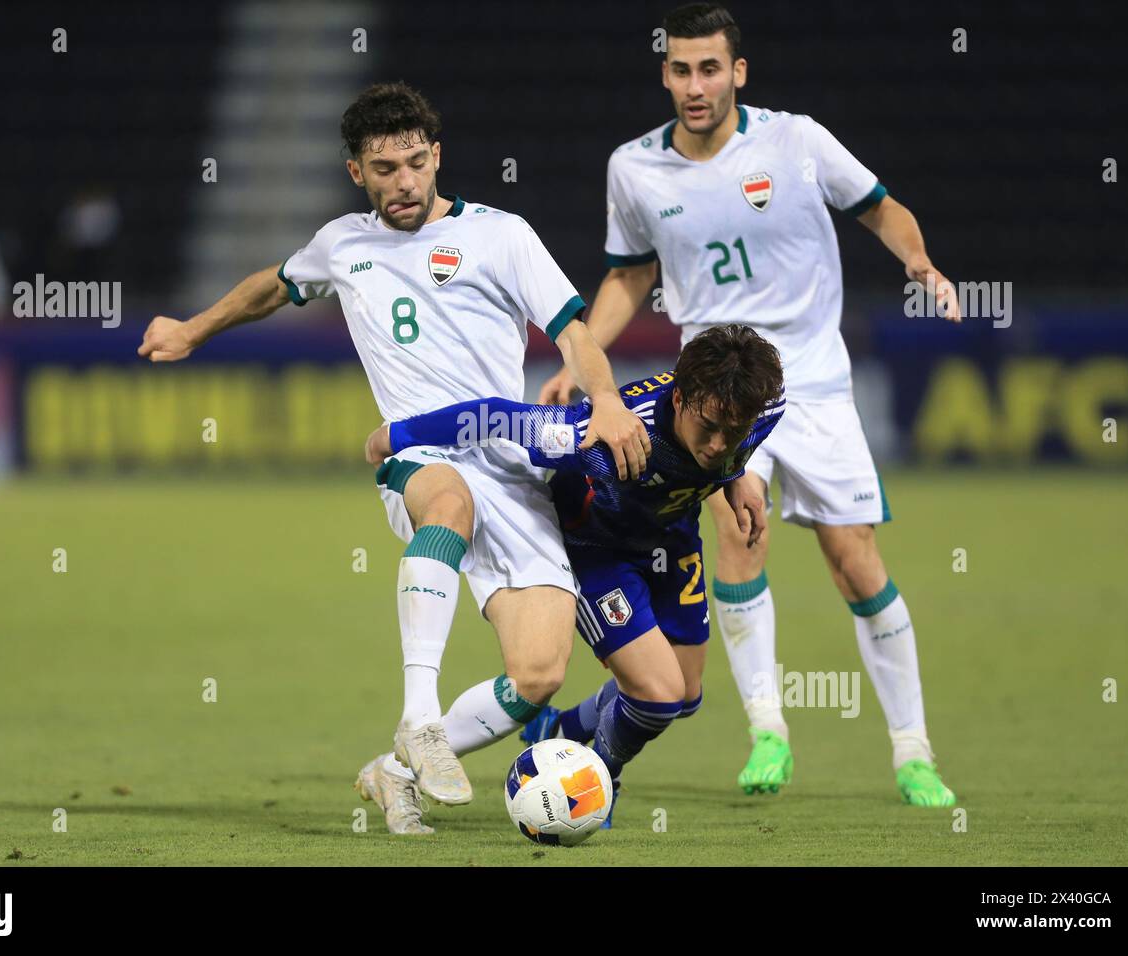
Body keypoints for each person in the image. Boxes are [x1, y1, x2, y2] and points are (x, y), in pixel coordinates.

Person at [137, 82, 650, 834]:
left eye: (415, 162)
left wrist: (604, 400)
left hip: (512, 468)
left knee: (538, 674)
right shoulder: (343, 244)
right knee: (449, 505)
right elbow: (271, 289)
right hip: (421, 458)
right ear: (357, 173)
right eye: (384, 169)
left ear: (437, 156)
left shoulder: (501, 235)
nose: (403, 181)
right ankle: (420, 715)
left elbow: (575, 332)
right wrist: (192, 329)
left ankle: (393, 772)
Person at [537, 4, 957, 806]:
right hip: (717, 393)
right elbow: (629, 275)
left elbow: (880, 206)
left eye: (710, 69)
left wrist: (920, 261)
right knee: (739, 529)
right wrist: (582, 359)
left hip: (814, 379)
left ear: (738, 73)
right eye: (680, 70)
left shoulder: (795, 141)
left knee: (854, 560)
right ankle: (769, 730)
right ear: (664, 73)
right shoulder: (634, 168)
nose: (695, 87)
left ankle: (913, 752)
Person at [367, 325, 783, 826]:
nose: (718, 445)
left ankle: (559, 728)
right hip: (596, 550)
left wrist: (736, 479)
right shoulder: (607, 431)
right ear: (680, 399)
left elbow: (729, 447)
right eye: (709, 427)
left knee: (686, 695)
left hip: (672, 542)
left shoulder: (761, 410)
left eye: (732, 434)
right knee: (657, 696)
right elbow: (493, 418)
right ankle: (594, 783)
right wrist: (397, 435)